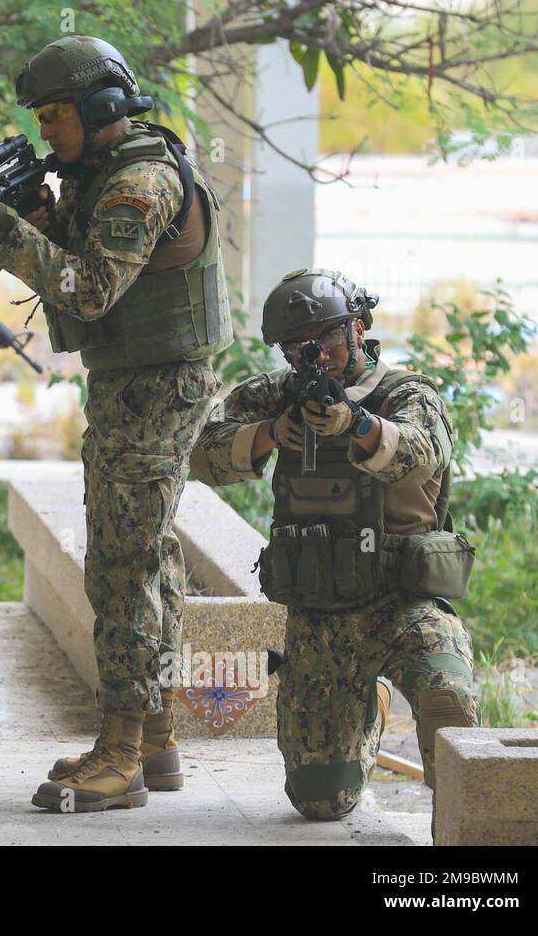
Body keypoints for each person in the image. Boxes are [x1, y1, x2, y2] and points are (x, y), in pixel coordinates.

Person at [0, 35, 233, 812]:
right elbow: (86, 257)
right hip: (136, 387)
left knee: (122, 565)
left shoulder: (140, 182)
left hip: (155, 392)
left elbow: (86, 290)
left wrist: (10, 233)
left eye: (55, 115)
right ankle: (152, 739)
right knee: (144, 558)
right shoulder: (106, 173)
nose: (47, 131)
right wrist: (42, 212)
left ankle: (121, 756)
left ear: (101, 108)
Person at [190, 268, 477, 827]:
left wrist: (357, 424)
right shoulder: (276, 395)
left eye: (326, 339)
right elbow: (202, 455)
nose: (314, 355)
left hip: (403, 602)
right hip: (319, 617)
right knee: (320, 802)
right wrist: (272, 433)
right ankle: (369, 712)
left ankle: (472, 816)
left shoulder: (407, 393)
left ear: (359, 327)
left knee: (448, 702)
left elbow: (423, 454)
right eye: (298, 346)